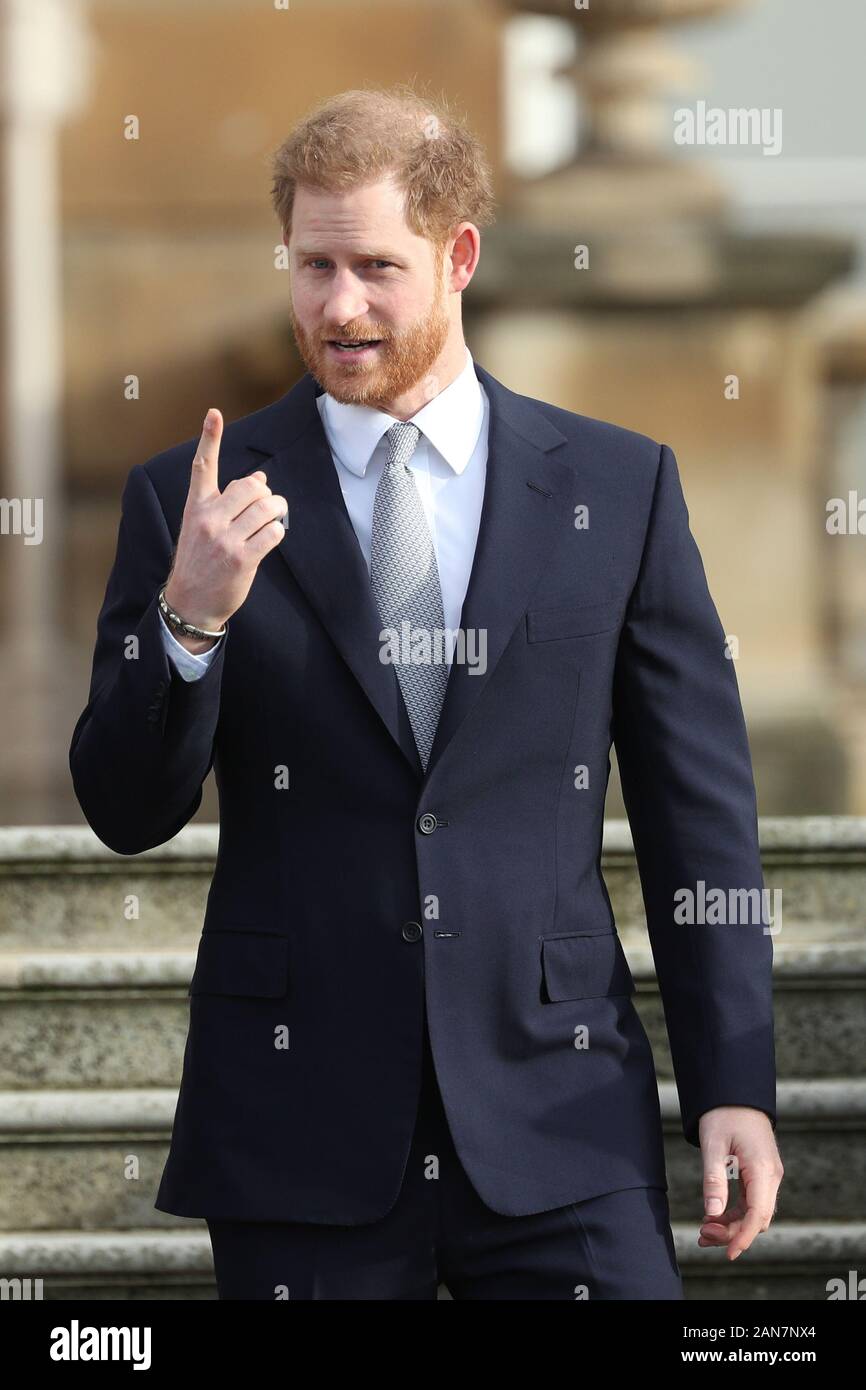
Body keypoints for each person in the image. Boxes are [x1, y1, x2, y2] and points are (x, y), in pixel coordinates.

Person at [69, 84, 782, 1300]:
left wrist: (732, 1083)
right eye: (312, 265)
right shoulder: (190, 500)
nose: (337, 306)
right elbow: (125, 809)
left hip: (559, 1110)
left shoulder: (617, 488)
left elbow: (697, 815)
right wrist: (187, 618)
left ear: (457, 258)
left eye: (375, 268)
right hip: (297, 1120)